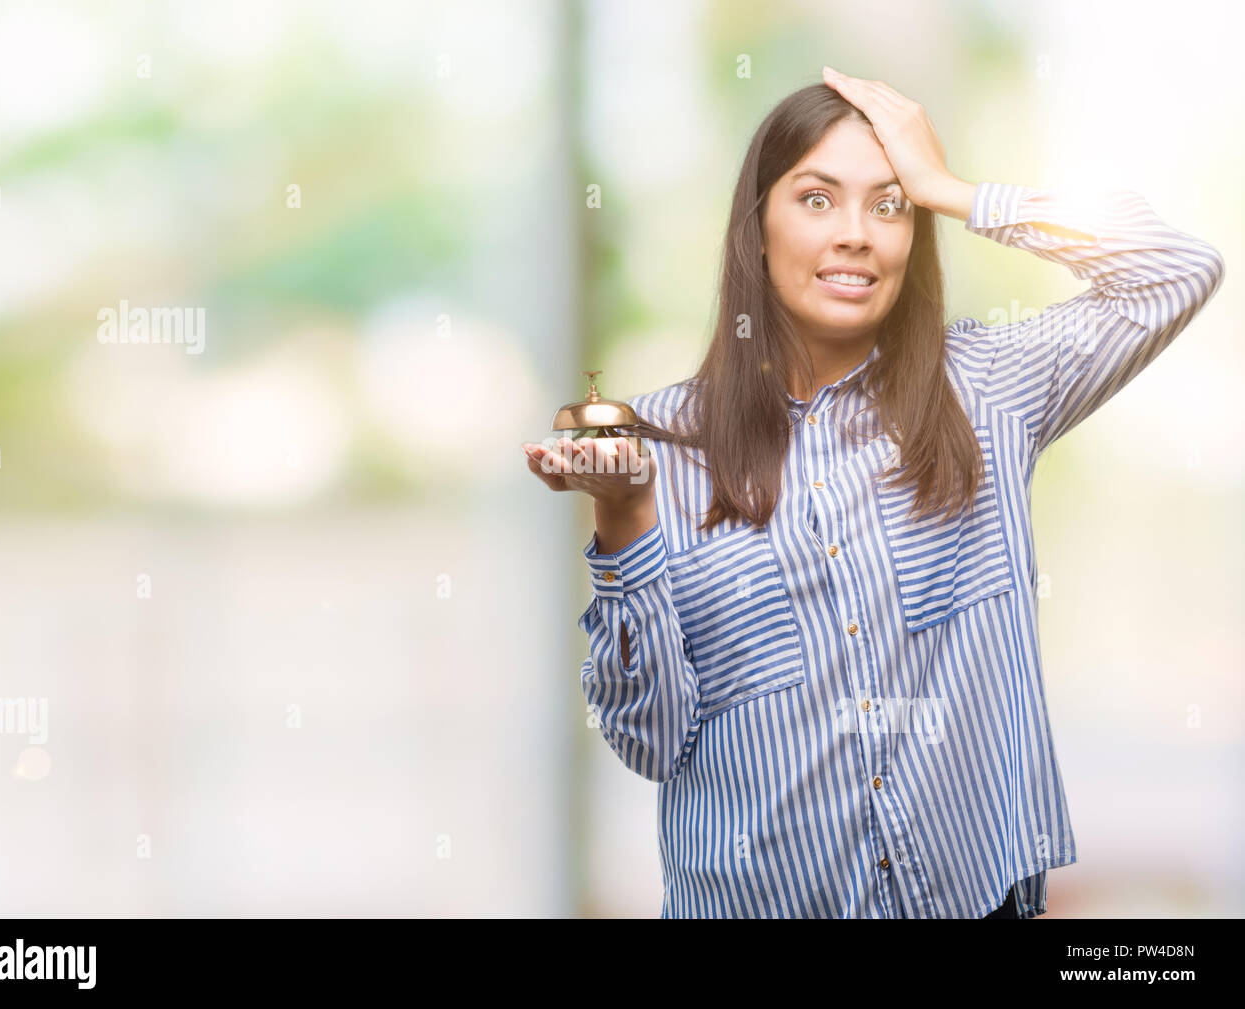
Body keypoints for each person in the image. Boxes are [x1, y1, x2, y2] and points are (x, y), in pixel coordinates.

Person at [522, 68, 1224, 918]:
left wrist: (952, 188)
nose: (856, 233)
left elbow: (1176, 268)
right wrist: (624, 518)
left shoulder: (989, 388)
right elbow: (650, 739)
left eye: (887, 206)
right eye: (817, 199)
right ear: (758, 226)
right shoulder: (662, 445)